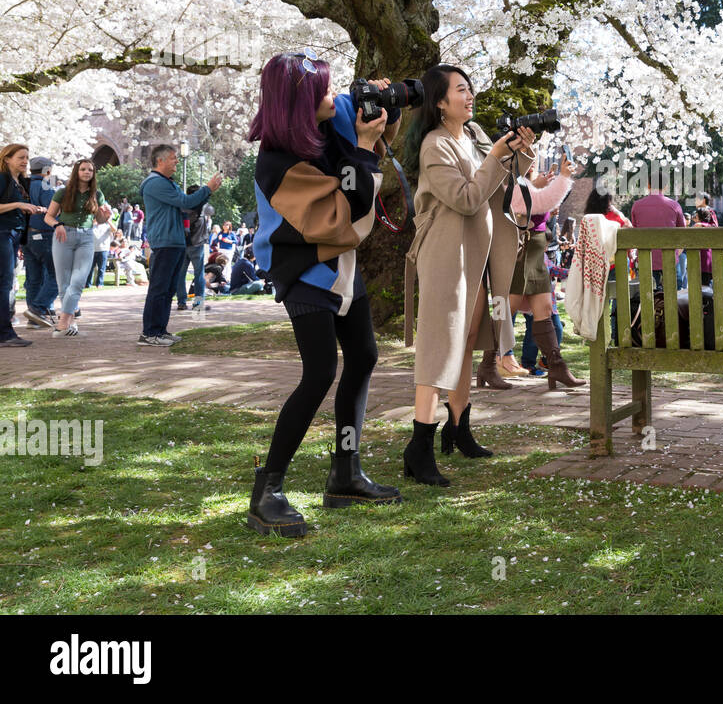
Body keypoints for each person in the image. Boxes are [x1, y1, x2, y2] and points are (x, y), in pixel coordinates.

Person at [246, 51, 402, 536]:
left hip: (342, 271)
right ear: (299, 102)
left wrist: (385, 105)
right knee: (319, 374)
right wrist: (363, 148)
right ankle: (266, 492)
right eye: (323, 90)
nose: (332, 97)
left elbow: (368, 133)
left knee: (364, 357)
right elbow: (343, 216)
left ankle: (345, 472)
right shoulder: (276, 164)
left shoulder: (325, 124)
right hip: (306, 271)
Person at [405, 63, 537, 486]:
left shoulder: (476, 134)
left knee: (467, 340)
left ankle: (457, 427)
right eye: (460, 90)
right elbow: (465, 198)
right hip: (446, 252)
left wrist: (520, 152)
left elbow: (503, 184)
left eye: (470, 88)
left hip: (479, 252)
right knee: (439, 346)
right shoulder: (434, 145)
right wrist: (497, 157)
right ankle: (418, 447)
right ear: (440, 101)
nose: (469, 95)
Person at [505, 155, 583, 390]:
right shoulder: (509, 181)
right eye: (527, 156)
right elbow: (538, 204)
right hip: (521, 253)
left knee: (545, 310)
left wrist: (539, 184)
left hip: (536, 253)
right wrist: (564, 178)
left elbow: (536, 199)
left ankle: (556, 367)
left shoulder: (523, 182)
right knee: (507, 308)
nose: (532, 163)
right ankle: (491, 363)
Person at [138, 146, 220, 347]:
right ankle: (149, 333)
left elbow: (188, 206)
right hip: (165, 242)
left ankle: (160, 331)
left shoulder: (167, 183)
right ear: (160, 161)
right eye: (173, 159)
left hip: (174, 242)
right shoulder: (155, 183)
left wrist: (207, 192)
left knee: (168, 290)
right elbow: (187, 202)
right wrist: (207, 188)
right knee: (159, 289)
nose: (176, 162)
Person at [44, 158, 112, 337]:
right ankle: (71, 323)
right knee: (64, 283)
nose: (87, 172)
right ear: (77, 172)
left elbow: (101, 219)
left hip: (87, 237)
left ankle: (62, 324)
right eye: (83, 169)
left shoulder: (97, 194)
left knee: (78, 281)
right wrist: (57, 225)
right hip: (63, 235)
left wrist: (106, 215)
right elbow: (48, 216)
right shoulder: (63, 192)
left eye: (90, 170)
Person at [0, 144, 47, 347]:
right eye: (20, 157)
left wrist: (30, 209)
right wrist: (19, 205)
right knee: (5, 283)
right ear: (7, 158)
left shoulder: (19, 182)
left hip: (15, 234)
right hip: (3, 233)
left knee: (8, 283)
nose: (25, 161)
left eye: (27, 157)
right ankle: (4, 334)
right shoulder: (2, 178)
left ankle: (6, 331)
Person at [629, 174, 686, 292]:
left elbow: (634, 232)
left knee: (647, 293)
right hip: (670, 258)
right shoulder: (674, 205)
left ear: (648, 185)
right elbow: (683, 234)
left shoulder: (637, 206)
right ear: (665, 186)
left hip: (646, 259)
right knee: (675, 291)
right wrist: (677, 253)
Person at [20, 155, 58, 328]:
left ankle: (33, 318)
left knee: (33, 278)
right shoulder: (45, 186)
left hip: (26, 236)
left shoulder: (22, 185)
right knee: (56, 275)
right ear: (47, 171)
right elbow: (53, 211)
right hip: (43, 234)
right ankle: (38, 309)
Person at [177, 184, 210, 313]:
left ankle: (181, 302)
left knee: (181, 274)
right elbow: (207, 197)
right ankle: (198, 304)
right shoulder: (200, 207)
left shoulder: (182, 207)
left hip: (183, 244)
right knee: (199, 274)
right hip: (197, 244)